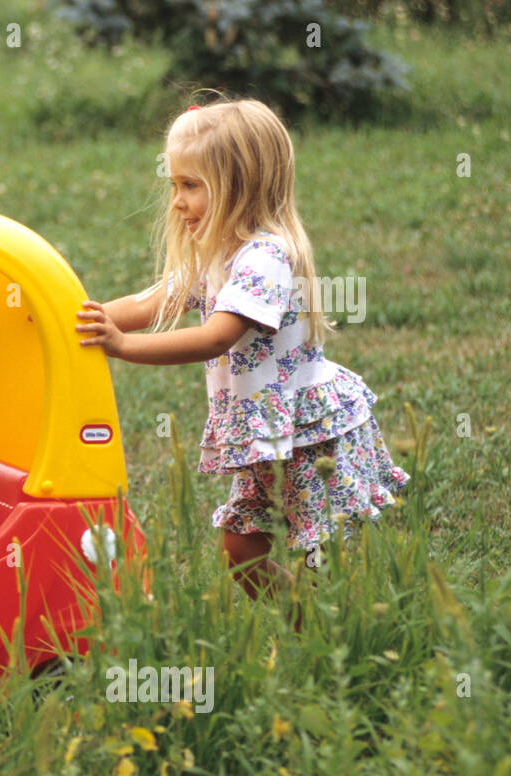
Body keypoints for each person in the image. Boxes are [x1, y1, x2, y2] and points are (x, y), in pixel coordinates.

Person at [75, 99, 408, 623]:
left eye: (191, 186)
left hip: (304, 431)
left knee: (318, 550)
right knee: (239, 554)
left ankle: (336, 639)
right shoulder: (216, 252)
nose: (178, 202)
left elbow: (215, 338)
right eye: (174, 185)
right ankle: (311, 627)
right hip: (263, 435)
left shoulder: (265, 259)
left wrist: (120, 346)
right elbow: (151, 303)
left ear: (240, 185)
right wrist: (71, 317)